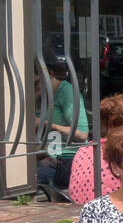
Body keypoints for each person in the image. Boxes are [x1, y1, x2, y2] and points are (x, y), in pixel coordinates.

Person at [35, 55, 89, 190]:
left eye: (37, 83)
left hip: (68, 157)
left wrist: (48, 124)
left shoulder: (68, 93)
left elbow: (82, 134)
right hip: (47, 155)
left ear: (50, 75)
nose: (35, 87)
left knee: (37, 179)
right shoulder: (37, 96)